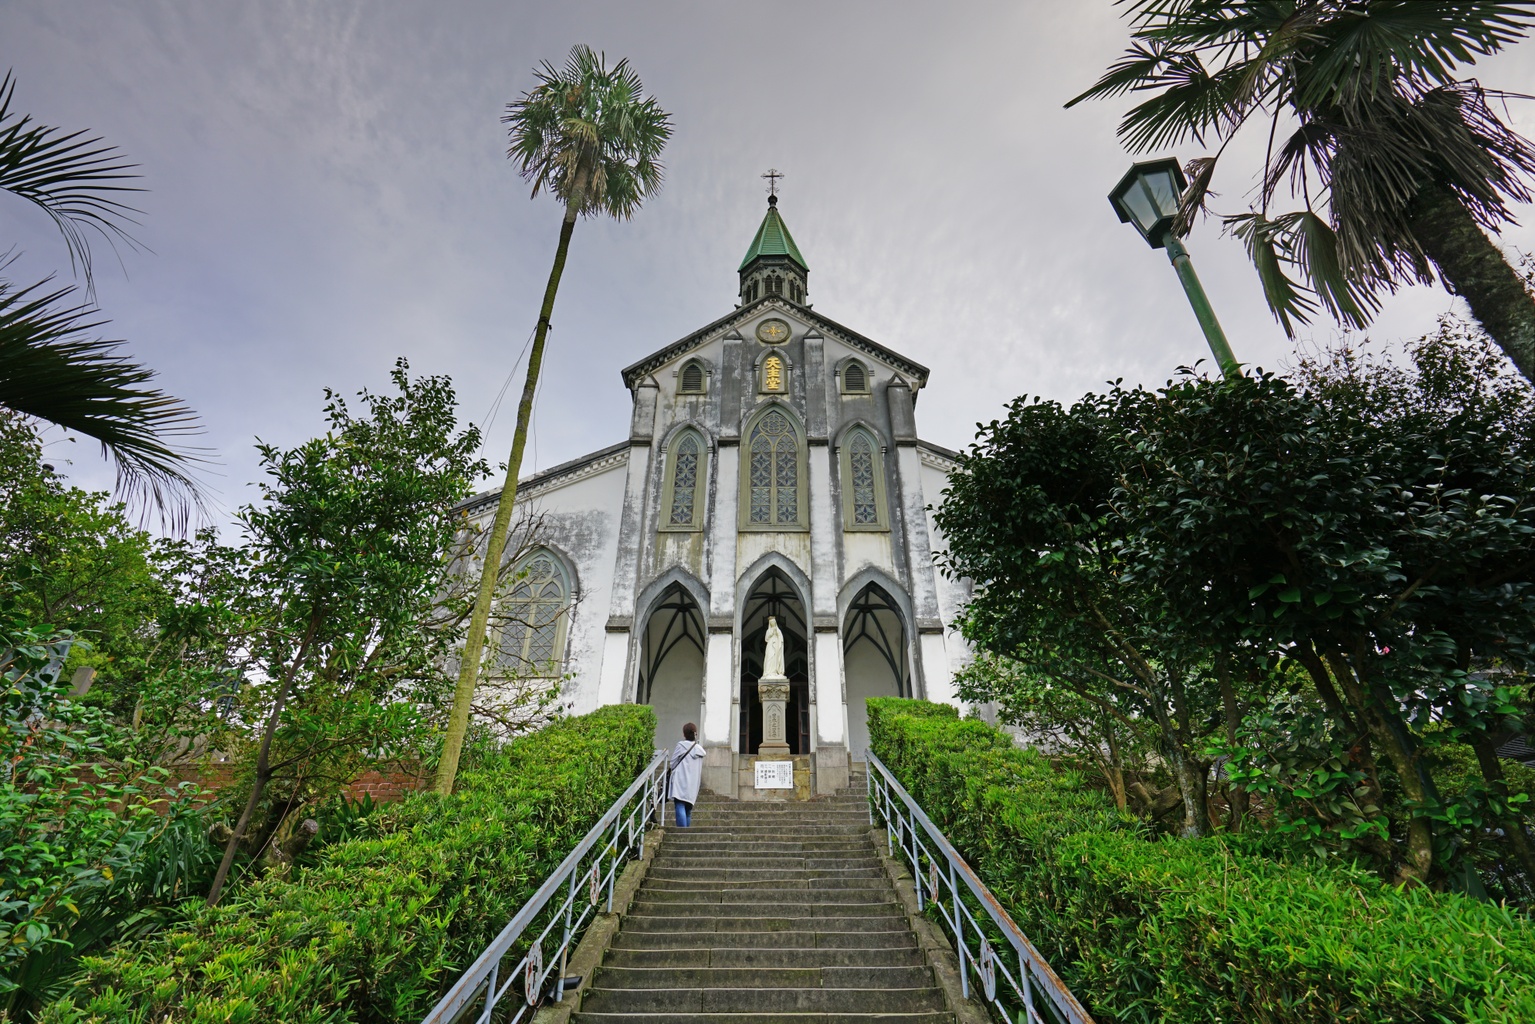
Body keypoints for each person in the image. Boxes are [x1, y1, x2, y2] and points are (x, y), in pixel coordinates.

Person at [668, 722, 704, 827]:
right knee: (688, 810)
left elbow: (673, 763)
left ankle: (681, 832)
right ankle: (686, 832)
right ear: (695, 734)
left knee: (679, 805)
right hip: (693, 783)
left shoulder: (681, 746)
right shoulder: (700, 750)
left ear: (684, 734)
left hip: (681, 780)